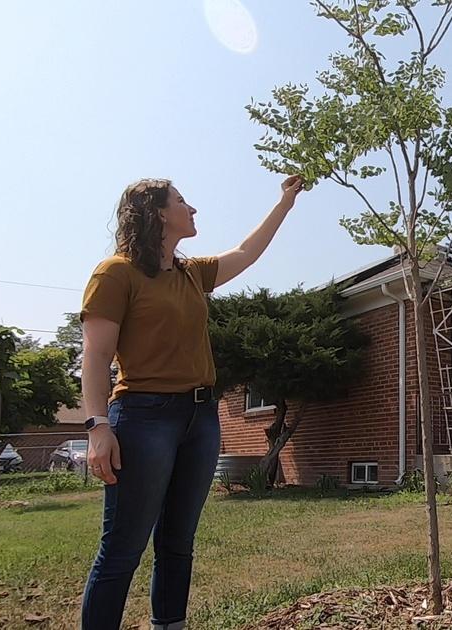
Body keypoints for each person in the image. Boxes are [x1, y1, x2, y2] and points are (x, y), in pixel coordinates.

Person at [79, 175, 303, 629]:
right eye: (182, 201)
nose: (192, 208)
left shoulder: (190, 273)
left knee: (179, 540)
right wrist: (97, 427)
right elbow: (97, 356)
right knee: (123, 545)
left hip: (200, 418)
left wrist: (285, 203)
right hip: (143, 417)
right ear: (158, 213)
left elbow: (245, 253)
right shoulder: (115, 273)